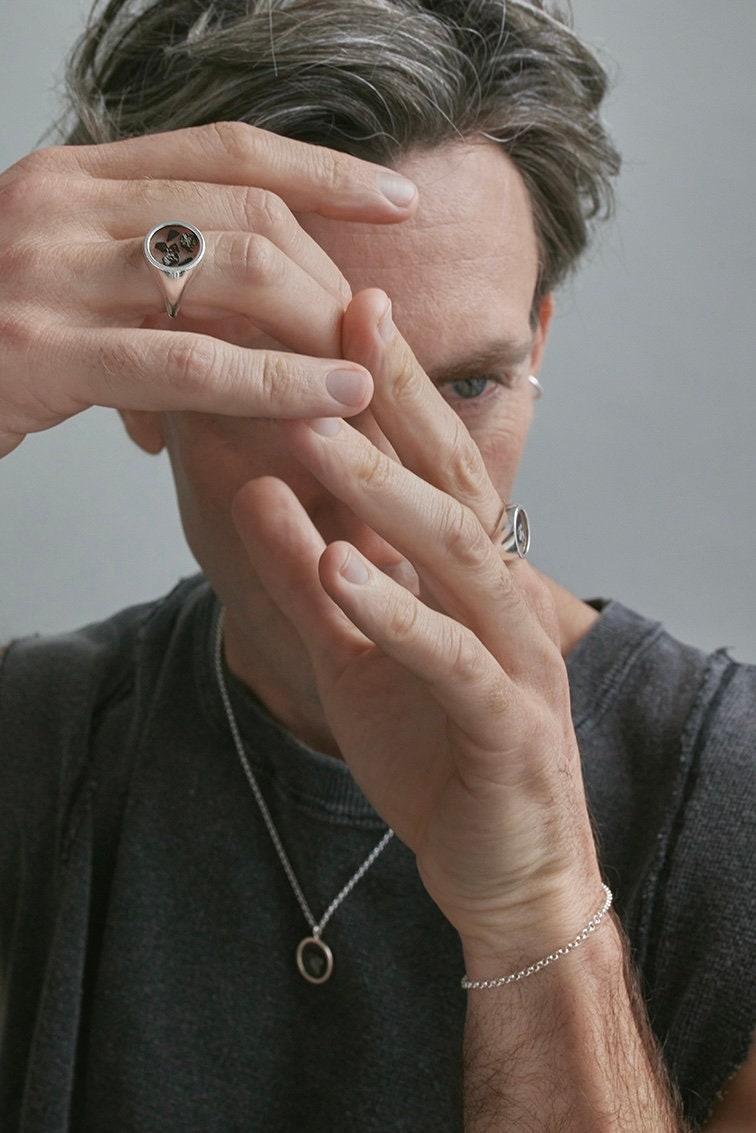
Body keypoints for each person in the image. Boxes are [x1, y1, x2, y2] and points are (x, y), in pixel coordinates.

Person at [0, 0, 754, 1129]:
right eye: (289, 382)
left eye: (463, 386)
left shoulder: (728, 804)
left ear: (536, 347)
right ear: (139, 378)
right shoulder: (33, 745)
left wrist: (539, 910)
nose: (375, 484)